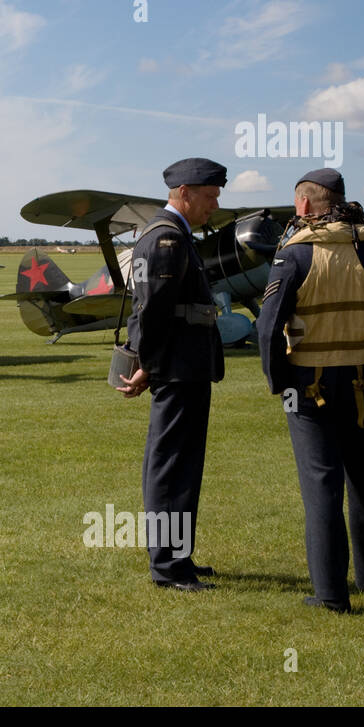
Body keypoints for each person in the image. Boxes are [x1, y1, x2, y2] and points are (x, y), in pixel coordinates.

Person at [256, 169, 364, 613]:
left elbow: (268, 329)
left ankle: (330, 595)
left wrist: (279, 383)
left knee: (322, 487)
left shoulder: (294, 255)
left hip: (310, 388)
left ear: (304, 206)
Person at [118, 157, 227, 592]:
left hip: (186, 367)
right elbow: (155, 310)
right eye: (209, 197)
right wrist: (149, 364)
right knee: (169, 469)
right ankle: (168, 567)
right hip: (177, 369)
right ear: (184, 193)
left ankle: (179, 557)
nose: (213, 206)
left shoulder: (174, 235)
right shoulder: (165, 240)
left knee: (181, 468)